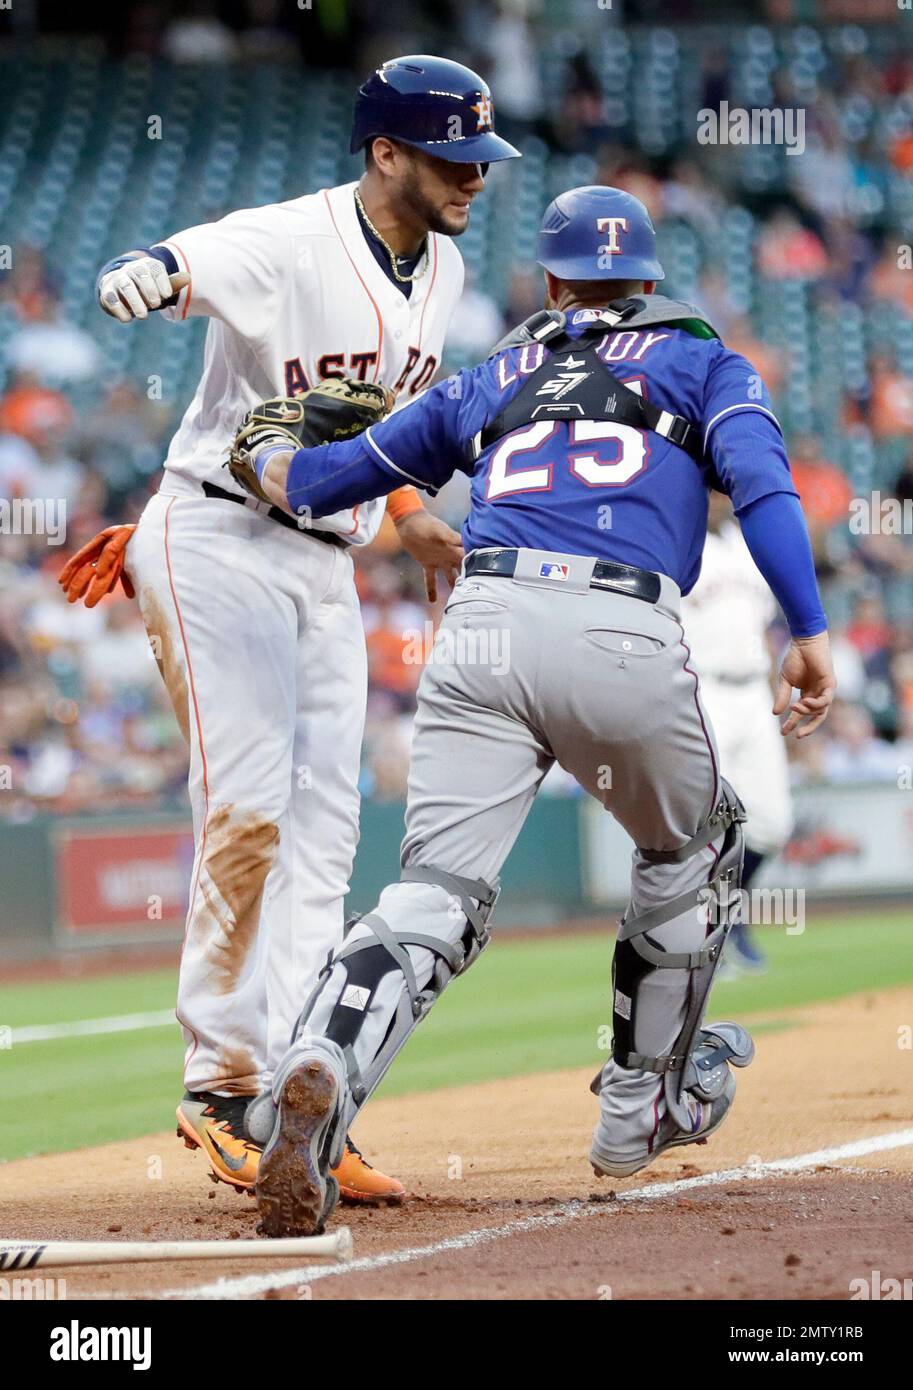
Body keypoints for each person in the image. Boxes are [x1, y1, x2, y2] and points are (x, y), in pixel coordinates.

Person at [223, 185, 836, 1237]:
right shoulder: (703, 362)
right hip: (618, 626)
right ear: (647, 280)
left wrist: (265, 457)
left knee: (433, 894)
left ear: (549, 282)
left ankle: (317, 1065)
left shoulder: (493, 373)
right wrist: (810, 630)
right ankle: (639, 1109)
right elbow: (765, 490)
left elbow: (328, 480)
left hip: (483, 623)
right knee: (700, 842)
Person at [67, 55, 520, 1205]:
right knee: (250, 806)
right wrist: (146, 272)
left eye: (481, 157)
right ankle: (218, 1082)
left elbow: (383, 414)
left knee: (324, 838)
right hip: (216, 534)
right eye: (452, 156)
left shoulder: (446, 264)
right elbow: (189, 259)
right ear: (386, 154)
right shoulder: (292, 238)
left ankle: (295, 1099)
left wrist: (413, 514)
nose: (474, 175)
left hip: (326, 557)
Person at [681, 493, 794, 972]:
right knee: (703, 828)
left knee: (771, 823)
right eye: (710, 489)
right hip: (702, 690)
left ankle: (727, 915)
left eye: (724, 489)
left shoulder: (746, 546)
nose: (720, 498)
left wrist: (777, 693)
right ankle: (698, 937)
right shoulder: (675, 543)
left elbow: (766, 629)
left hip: (751, 692)